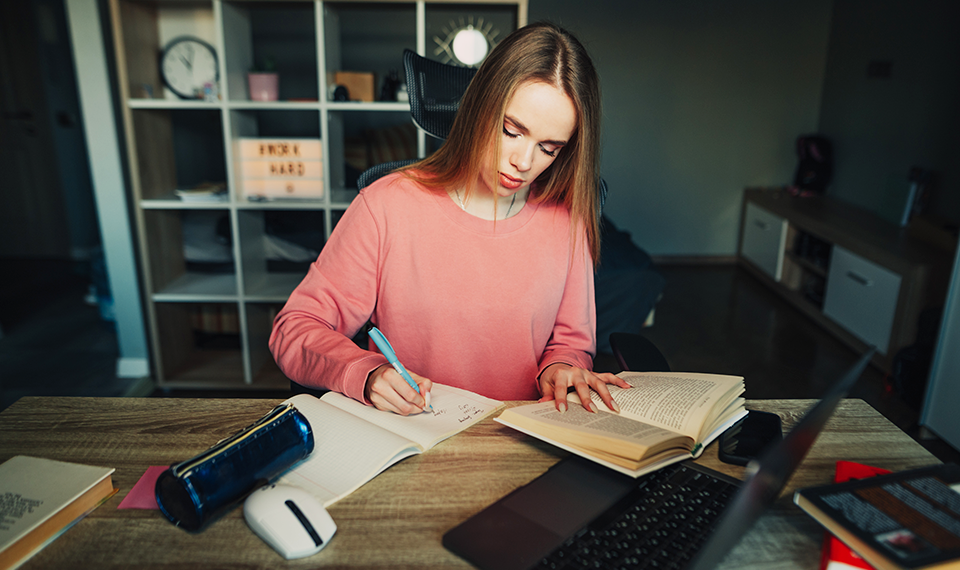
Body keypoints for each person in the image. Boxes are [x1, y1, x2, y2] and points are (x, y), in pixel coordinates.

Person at [269, 21, 630, 416]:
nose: (524, 163)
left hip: (521, 438)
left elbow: (570, 343)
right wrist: (365, 373)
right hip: (413, 438)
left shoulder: (567, 220)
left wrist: (563, 367)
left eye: (549, 148)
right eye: (511, 131)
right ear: (478, 106)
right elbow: (295, 327)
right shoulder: (386, 205)